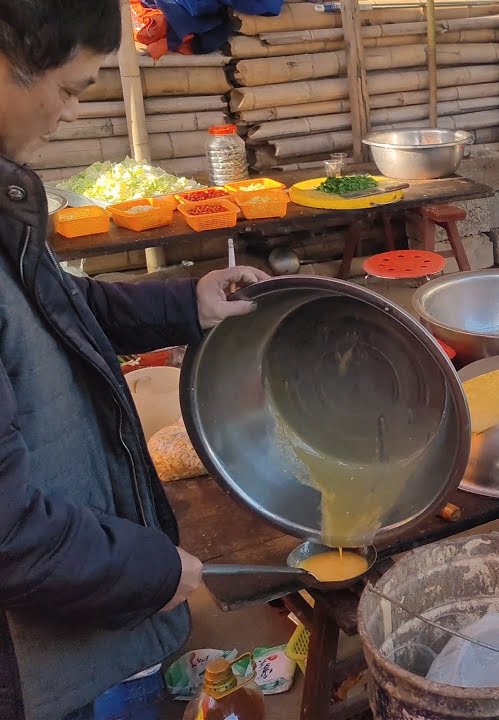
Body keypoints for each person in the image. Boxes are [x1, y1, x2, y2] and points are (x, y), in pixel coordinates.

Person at [0, 3, 270, 718]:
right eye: (70, 88)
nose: (70, 113)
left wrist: (190, 303)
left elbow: (56, 305)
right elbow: (8, 537)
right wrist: (150, 570)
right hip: (28, 667)